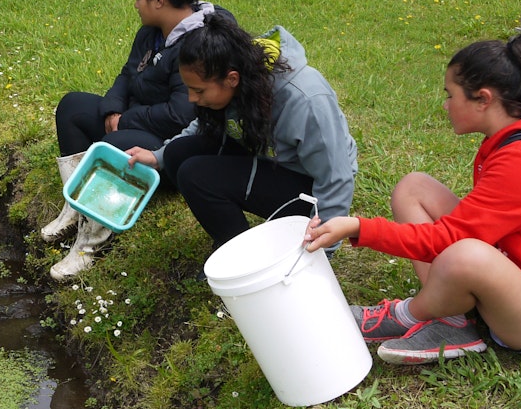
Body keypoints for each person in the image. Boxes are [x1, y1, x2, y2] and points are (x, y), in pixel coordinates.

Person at [304, 34, 521, 365]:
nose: (446, 105)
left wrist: (358, 227)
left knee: (465, 254)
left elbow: (448, 240)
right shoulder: (519, 140)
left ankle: (407, 315)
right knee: (414, 188)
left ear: (483, 99)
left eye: (451, 96)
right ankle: (451, 320)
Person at [44, 0, 230, 281]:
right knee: (72, 107)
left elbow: (181, 115)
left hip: (172, 147)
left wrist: (124, 119)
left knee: (115, 147)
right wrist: (112, 109)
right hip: (136, 121)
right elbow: (128, 73)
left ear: (159, 0)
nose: (135, 5)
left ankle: (91, 242)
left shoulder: (198, 43)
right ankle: (77, 205)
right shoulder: (152, 31)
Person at [127, 15, 357, 255]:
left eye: (198, 90)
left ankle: (245, 259)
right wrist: (158, 156)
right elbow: (202, 123)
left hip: (310, 184)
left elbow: (336, 178)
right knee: (177, 154)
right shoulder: (240, 69)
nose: (192, 99)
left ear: (232, 79)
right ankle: (234, 245)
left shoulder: (306, 100)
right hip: (271, 159)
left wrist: (320, 250)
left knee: (196, 175)